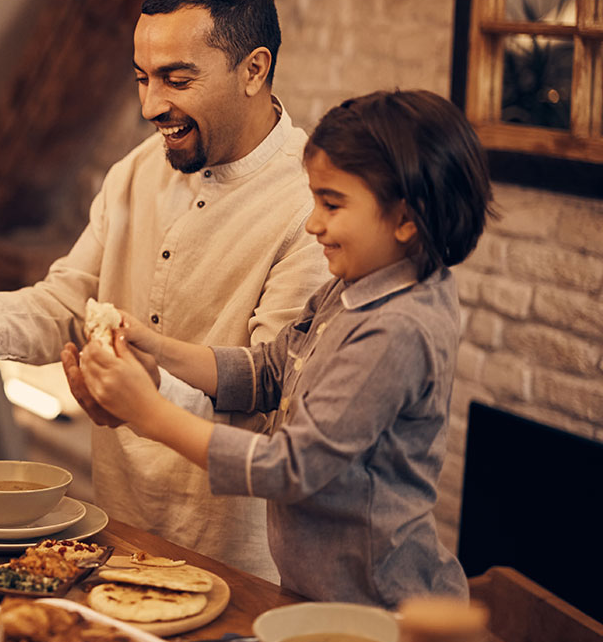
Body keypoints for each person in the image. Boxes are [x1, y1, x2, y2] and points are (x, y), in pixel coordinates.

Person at [0, 0, 328, 580]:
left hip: (237, 559)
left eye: (177, 80)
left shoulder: (312, 206)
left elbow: (275, 402)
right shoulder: (135, 171)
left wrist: (144, 395)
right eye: (142, 78)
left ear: (253, 70)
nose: (150, 106)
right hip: (120, 530)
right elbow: (68, 305)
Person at [78, 89, 492, 607]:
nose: (314, 223)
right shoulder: (353, 287)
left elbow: (291, 468)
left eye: (332, 204)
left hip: (380, 611)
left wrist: (149, 414)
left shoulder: (398, 329)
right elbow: (269, 371)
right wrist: (156, 347)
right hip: (316, 597)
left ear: (408, 218)